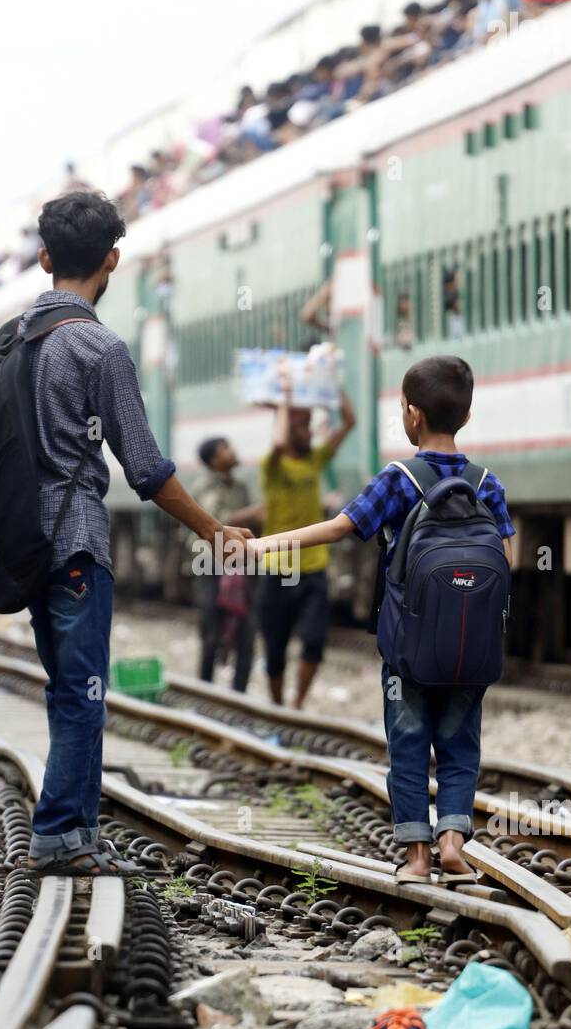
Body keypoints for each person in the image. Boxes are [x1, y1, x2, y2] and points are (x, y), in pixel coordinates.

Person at [21, 191, 252, 878]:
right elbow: (146, 469)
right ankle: (63, 834)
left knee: (66, 685)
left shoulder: (16, 339)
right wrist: (213, 529)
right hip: (75, 542)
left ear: (44, 259)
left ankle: (72, 830)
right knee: (82, 687)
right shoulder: (99, 346)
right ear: (112, 260)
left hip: (22, 545)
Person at [249, 356, 514, 882]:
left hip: (408, 647)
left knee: (409, 743)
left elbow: (338, 528)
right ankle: (455, 845)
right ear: (466, 414)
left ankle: (416, 856)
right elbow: (506, 560)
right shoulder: (487, 483)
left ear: (412, 415)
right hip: (471, 647)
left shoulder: (399, 480)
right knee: (461, 746)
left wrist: (265, 546)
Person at [258, 378, 355, 709]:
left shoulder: (315, 460)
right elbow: (278, 440)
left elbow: (350, 421)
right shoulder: (272, 465)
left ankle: (297, 704)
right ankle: (276, 707)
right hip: (278, 564)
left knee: (314, 640)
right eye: (302, 426)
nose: (309, 430)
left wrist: (333, 381)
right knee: (275, 645)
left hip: (314, 564)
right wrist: (285, 399)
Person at [190, 437, 261, 692]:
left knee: (246, 635)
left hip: (240, 569)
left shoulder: (241, 487)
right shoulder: (204, 487)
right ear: (212, 460)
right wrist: (253, 513)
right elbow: (215, 522)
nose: (232, 452)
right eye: (225, 449)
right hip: (210, 566)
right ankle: (205, 692)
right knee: (210, 634)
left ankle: (238, 696)